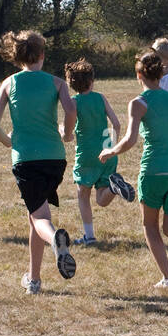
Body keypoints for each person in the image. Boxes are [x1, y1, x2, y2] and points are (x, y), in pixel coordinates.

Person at [99, 50, 168, 288]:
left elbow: (130, 139)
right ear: (161, 74)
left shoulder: (138, 103)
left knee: (150, 226)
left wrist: (111, 151)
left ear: (139, 75)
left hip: (154, 170)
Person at [0, 31, 80, 291]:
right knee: (37, 215)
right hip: (55, 159)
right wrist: (68, 133)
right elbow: (71, 110)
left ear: (17, 57)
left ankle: (56, 242)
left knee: (40, 219)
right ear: (42, 54)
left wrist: (10, 142)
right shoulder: (57, 82)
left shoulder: (9, 83)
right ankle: (34, 280)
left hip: (26, 159)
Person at [65, 58, 136, 246]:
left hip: (87, 155)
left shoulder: (74, 102)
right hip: (107, 153)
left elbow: (69, 131)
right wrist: (112, 147)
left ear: (71, 84)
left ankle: (89, 236)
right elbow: (117, 124)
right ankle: (114, 187)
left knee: (83, 194)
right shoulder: (100, 98)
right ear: (91, 80)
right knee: (102, 199)